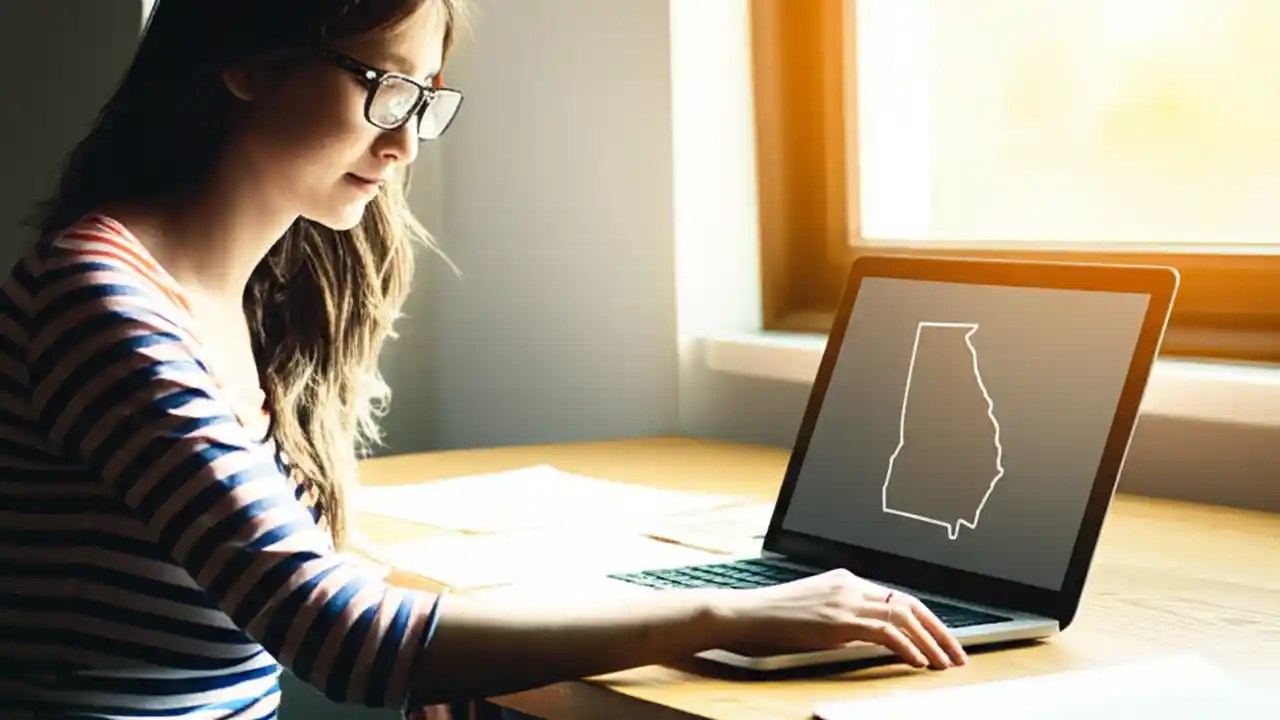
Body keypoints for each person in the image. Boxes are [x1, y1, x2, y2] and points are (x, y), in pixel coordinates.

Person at [0, 0, 967, 716]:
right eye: (384, 86)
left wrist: (485, 633)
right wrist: (722, 617)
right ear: (247, 56)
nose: (406, 143)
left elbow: (313, 565)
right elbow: (338, 635)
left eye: (425, 98)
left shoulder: (250, 290)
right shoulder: (101, 300)